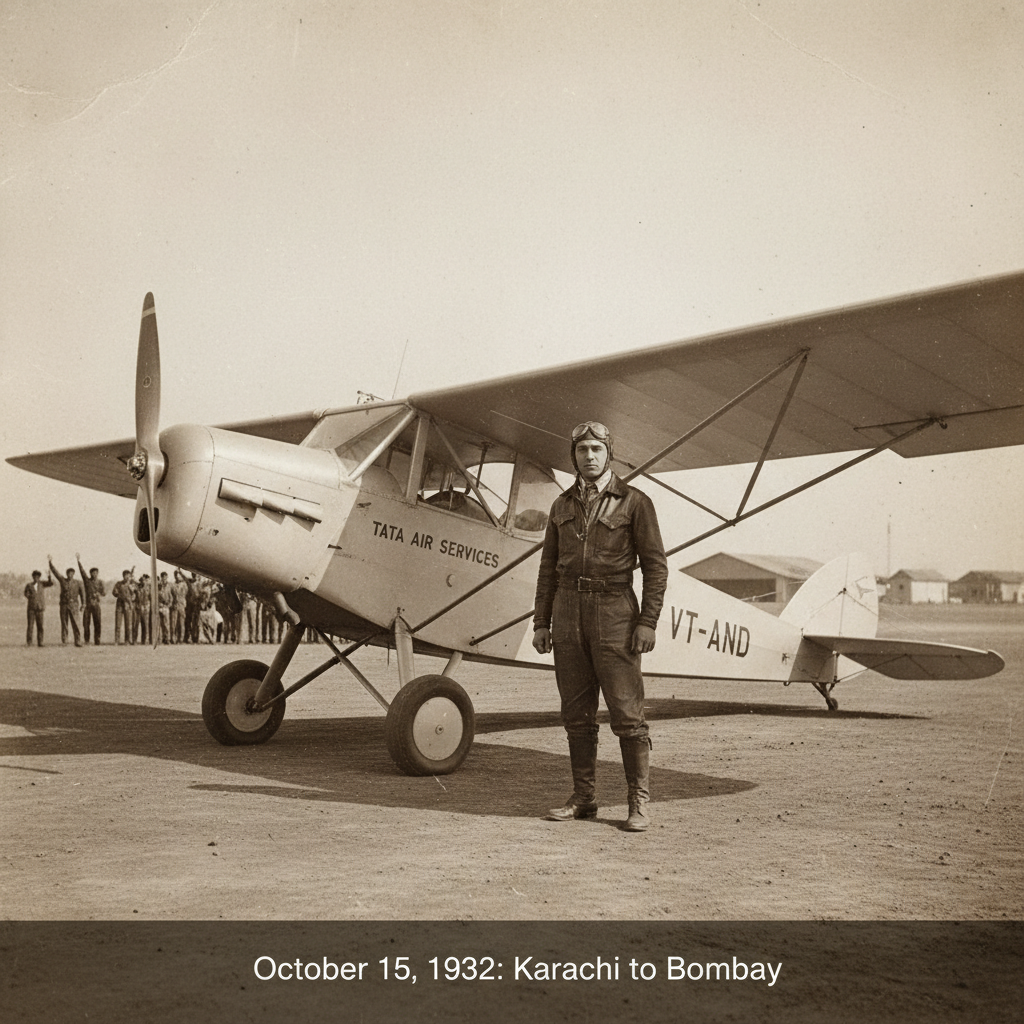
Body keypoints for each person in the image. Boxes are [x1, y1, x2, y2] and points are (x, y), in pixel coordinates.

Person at [533, 422, 668, 832]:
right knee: (576, 715)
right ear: (573, 455)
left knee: (627, 715)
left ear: (609, 453)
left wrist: (647, 622)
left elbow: (656, 567)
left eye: (596, 449)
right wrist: (541, 622)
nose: (589, 456)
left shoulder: (635, 502)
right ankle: (584, 798)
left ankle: (638, 802)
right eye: (582, 449)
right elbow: (547, 569)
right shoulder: (560, 506)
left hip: (615, 612)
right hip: (567, 612)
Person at [48, 557, 85, 647]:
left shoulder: (78, 583)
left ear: (73, 574)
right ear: (66, 574)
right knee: (64, 623)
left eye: (71, 573)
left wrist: (83, 604)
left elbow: (83, 594)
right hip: (64, 605)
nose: (70, 575)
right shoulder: (63, 580)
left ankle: (78, 641)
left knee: (76, 623)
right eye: (68, 573)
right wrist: (50, 563)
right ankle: (65, 641)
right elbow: (55, 572)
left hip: (74, 605)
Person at [77, 555, 105, 645]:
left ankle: (97, 639)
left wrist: (98, 594)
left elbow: (104, 593)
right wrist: (78, 562)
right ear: (90, 574)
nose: (94, 574)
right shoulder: (87, 581)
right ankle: (87, 640)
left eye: (96, 573)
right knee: (86, 623)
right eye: (93, 573)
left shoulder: (100, 582)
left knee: (97, 623)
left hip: (96, 604)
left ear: (98, 573)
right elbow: (82, 572)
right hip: (88, 605)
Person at [24, 570, 54, 646]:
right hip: (31, 608)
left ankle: (40, 642)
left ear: (39, 577)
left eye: (37, 577)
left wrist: (49, 576)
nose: (36, 578)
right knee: (30, 626)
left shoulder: (42, 584)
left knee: (40, 626)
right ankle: (29, 642)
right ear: (33, 577)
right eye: (35, 577)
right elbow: (26, 594)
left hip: (40, 608)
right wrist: (32, 597)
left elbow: (50, 583)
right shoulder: (29, 585)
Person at [112, 570, 136, 645]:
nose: (127, 577)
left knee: (128, 624)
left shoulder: (131, 584)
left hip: (128, 606)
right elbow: (114, 592)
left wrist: (131, 599)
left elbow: (135, 594)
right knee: (118, 624)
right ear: (123, 576)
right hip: (119, 605)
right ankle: (117, 640)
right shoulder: (119, 584)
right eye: (125, 575)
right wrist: (118, 594)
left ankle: (127, 640)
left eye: (128, 575)